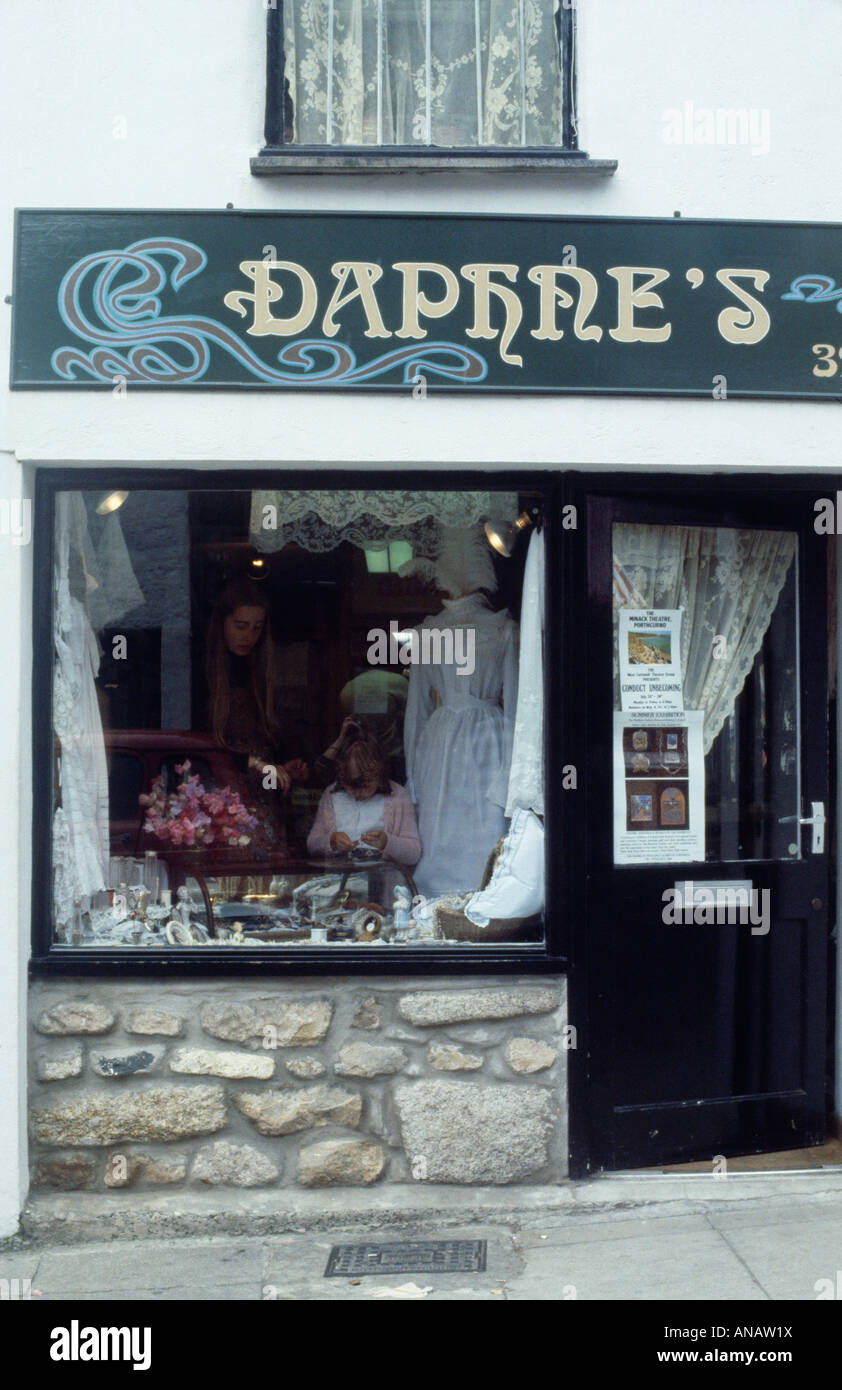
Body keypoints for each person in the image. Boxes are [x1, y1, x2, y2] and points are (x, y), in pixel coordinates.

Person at [205, 579, 308, 843]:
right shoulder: (203, 673)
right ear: (223, 623)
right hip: (216, 797)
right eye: (240, 626)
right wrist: (256, 764)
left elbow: (266, 742)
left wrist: (283, 767)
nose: (248, 636)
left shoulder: (261, 673)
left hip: (261, 800)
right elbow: (198, 743)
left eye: (257, 627)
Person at [306, 729, 421, 867]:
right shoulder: (331, 795)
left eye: (366, 787)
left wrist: (387, 842)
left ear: (379, 775)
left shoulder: (398, 797)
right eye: (351, 788)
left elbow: (414, 853)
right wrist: (331, 841)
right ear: (342, 778)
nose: (358, 794)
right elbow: (312, 844)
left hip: (382, 883)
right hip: (338, 882)